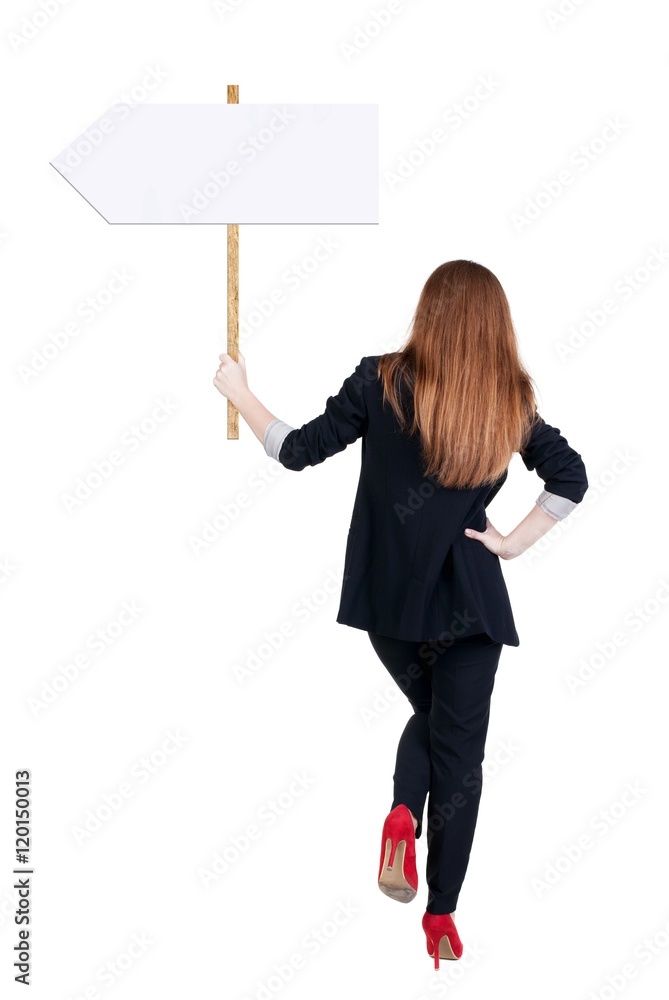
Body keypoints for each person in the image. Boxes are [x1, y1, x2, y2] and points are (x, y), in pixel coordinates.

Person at [212, 259, 589, 970]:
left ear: (427, 312)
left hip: (390, 606)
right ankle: (440, 912)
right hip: (471, 606)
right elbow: (570, 477)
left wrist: (242, 393)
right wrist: (506, 543)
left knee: (437, 724)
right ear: (494, 324)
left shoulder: (378, 379)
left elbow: (296, 451)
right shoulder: (510, 397)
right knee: (459, 753)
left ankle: (401, 813)